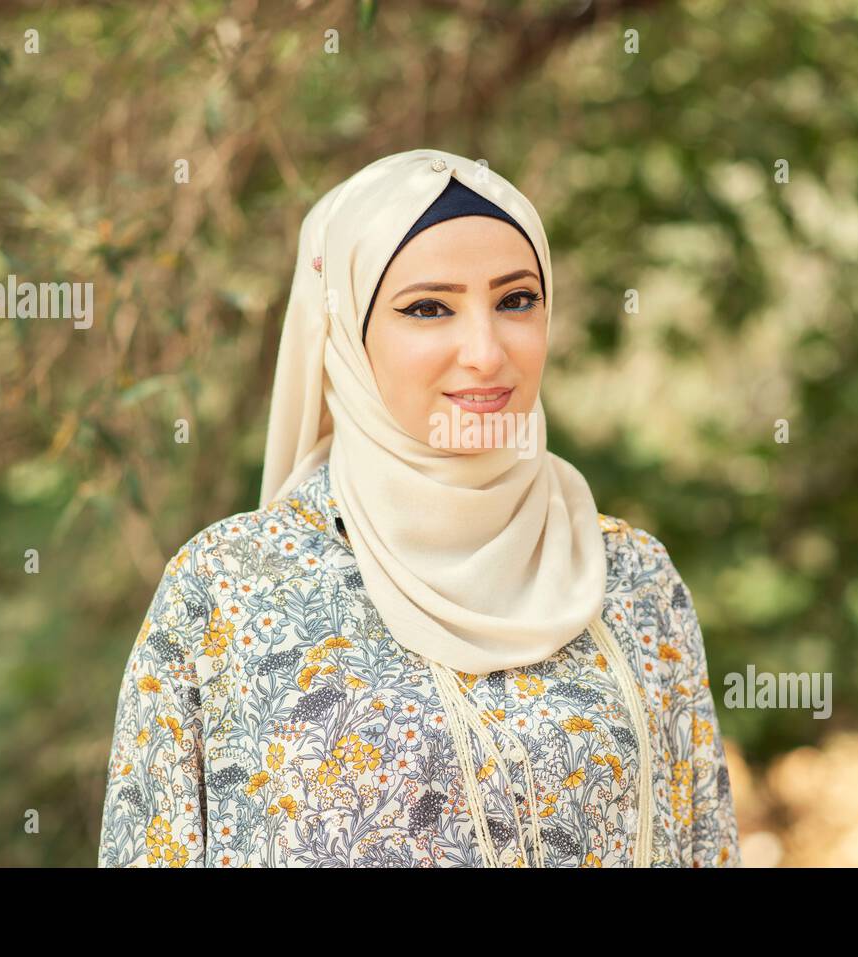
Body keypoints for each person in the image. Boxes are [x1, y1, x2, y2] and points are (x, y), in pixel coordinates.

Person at [97, 148, 740, 868]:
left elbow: (702, 843)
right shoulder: (228, 589)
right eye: (428, 308)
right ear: (346, 335)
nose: (486, 352)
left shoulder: (634, 578)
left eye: (516, 299)